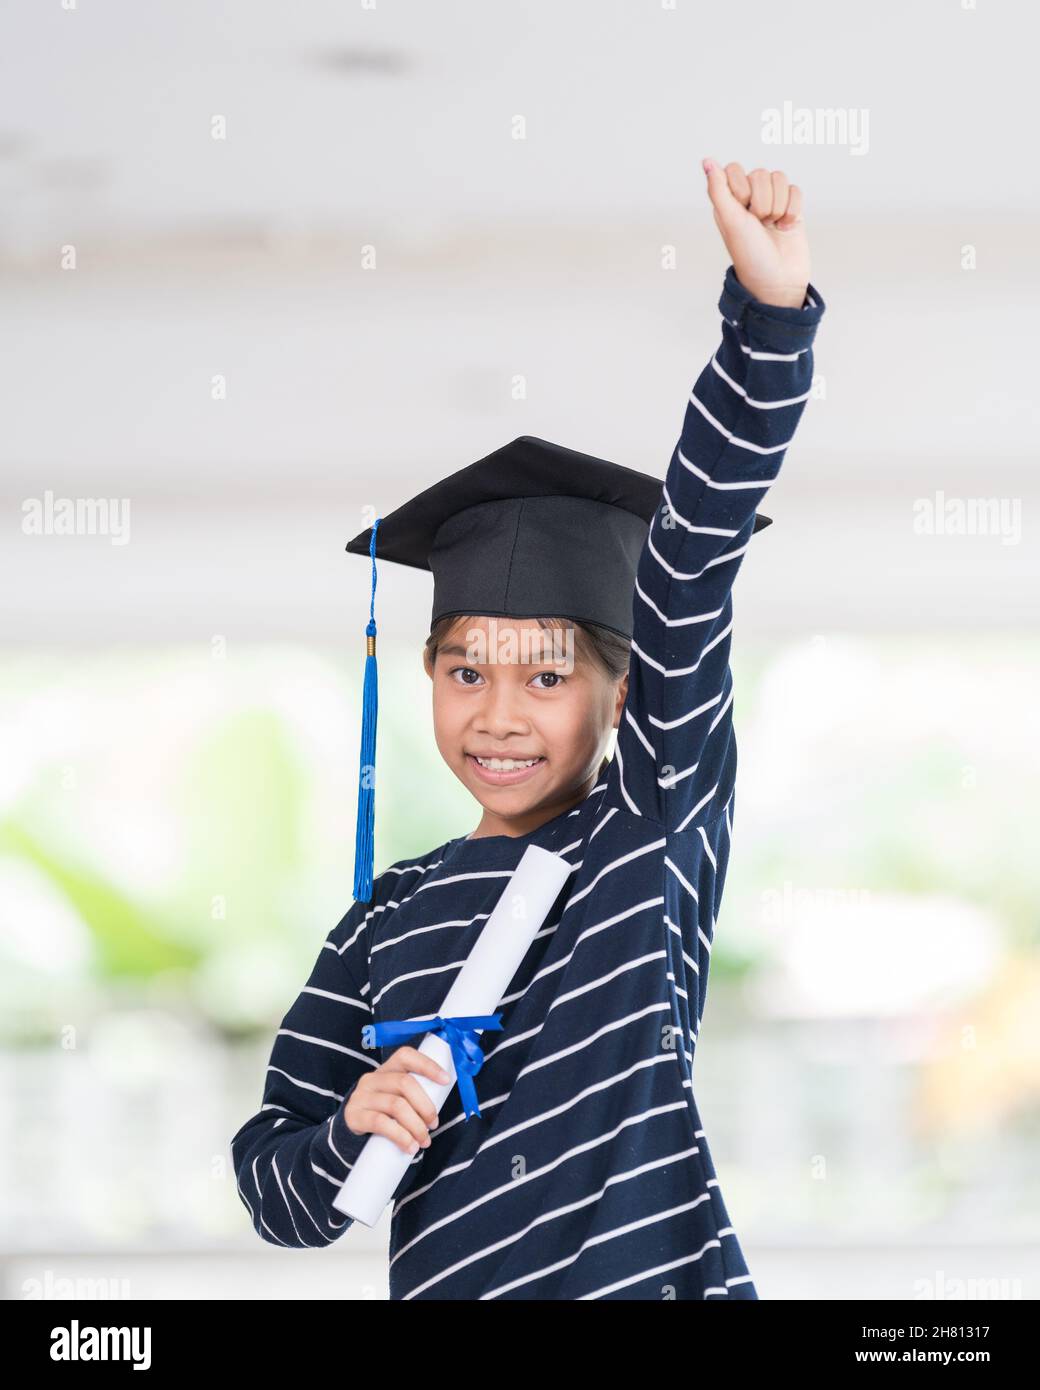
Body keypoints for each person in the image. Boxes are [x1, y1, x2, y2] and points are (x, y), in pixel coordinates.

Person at [231, 158, 827, 1299]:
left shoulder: (644, 836)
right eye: (465, 669)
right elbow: (277, 1193)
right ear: (425, 675)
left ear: (620, 692)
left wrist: (766, 327)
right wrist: (347, 1130)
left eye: (547, 676)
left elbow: (692, 562)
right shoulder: (386, 915)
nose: (497, 713)